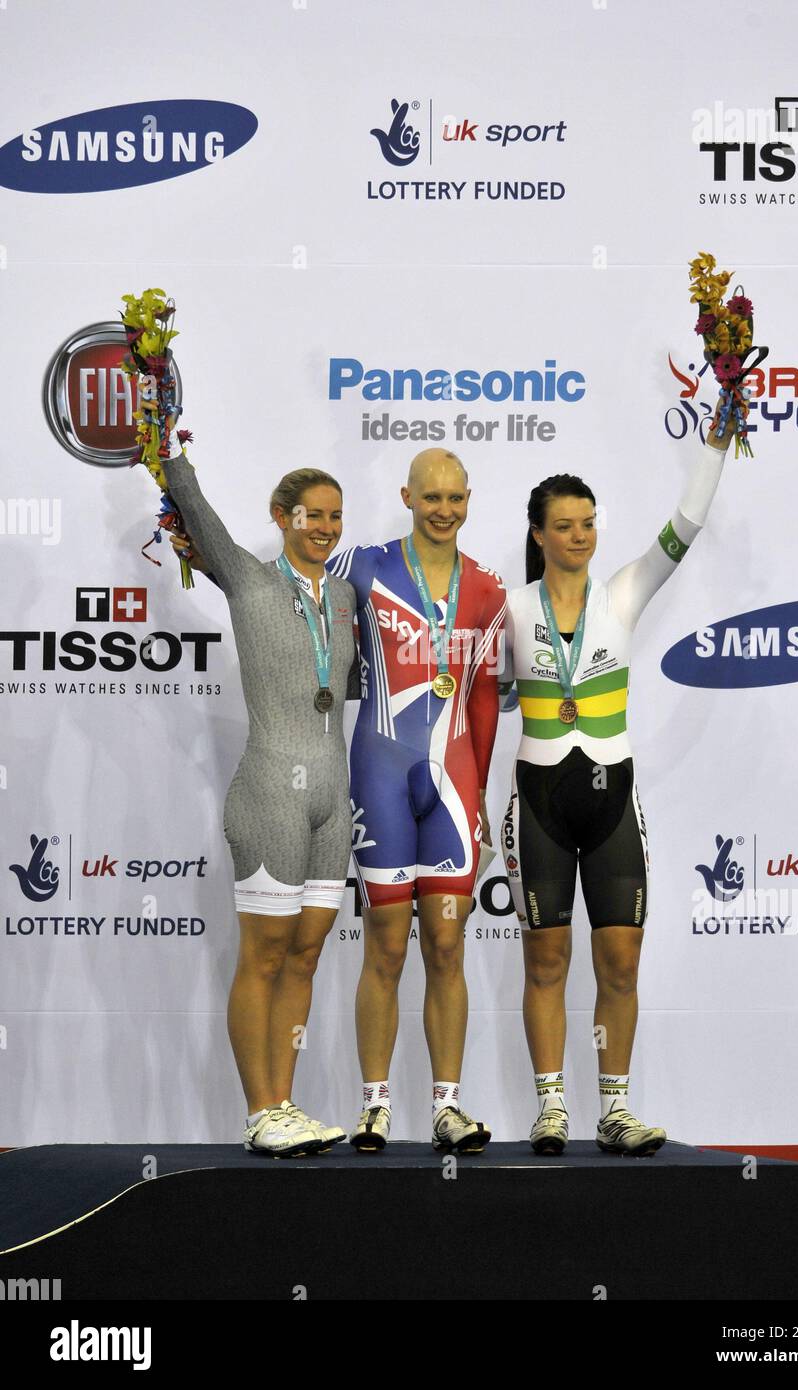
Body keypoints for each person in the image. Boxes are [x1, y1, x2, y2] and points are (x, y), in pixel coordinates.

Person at [499, 417, 736, 1156]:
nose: (580, 536)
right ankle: (549, 1109)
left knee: (622, 960)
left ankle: (614, 1108)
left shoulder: (626, 591)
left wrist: (719, 435)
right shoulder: (507, 609)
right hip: (537, 799)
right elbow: (489, 695)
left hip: (611, 800)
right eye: (564, 526)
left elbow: (687, 521)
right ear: (537, 534)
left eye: (589, 524)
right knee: (544, 960)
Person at [163, 436, 359, 1156]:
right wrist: (166, 442)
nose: (325, 528)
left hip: (332, 797)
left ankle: (286, 1103)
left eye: (335, 517)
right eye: (312, 515)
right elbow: (194, 510)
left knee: (306, 956)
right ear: (282, 517)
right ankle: (258, 1111)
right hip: (271, 789)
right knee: (265, 956)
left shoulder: (341, 595)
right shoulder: (246, 578)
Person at [327, 448, 506, 1153]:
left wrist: (483, 792)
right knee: (386, 947)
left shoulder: (489, 589)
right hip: (380, 772)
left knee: (446, 944)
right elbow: (292, 593)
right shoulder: (363, 567)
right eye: (430, 497)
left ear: (469, 499)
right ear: (406, 496)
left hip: (455, 785)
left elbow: (486, 700)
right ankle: (373, 1105)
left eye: (454, 499)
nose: (443, 510)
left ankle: (447, 1107)